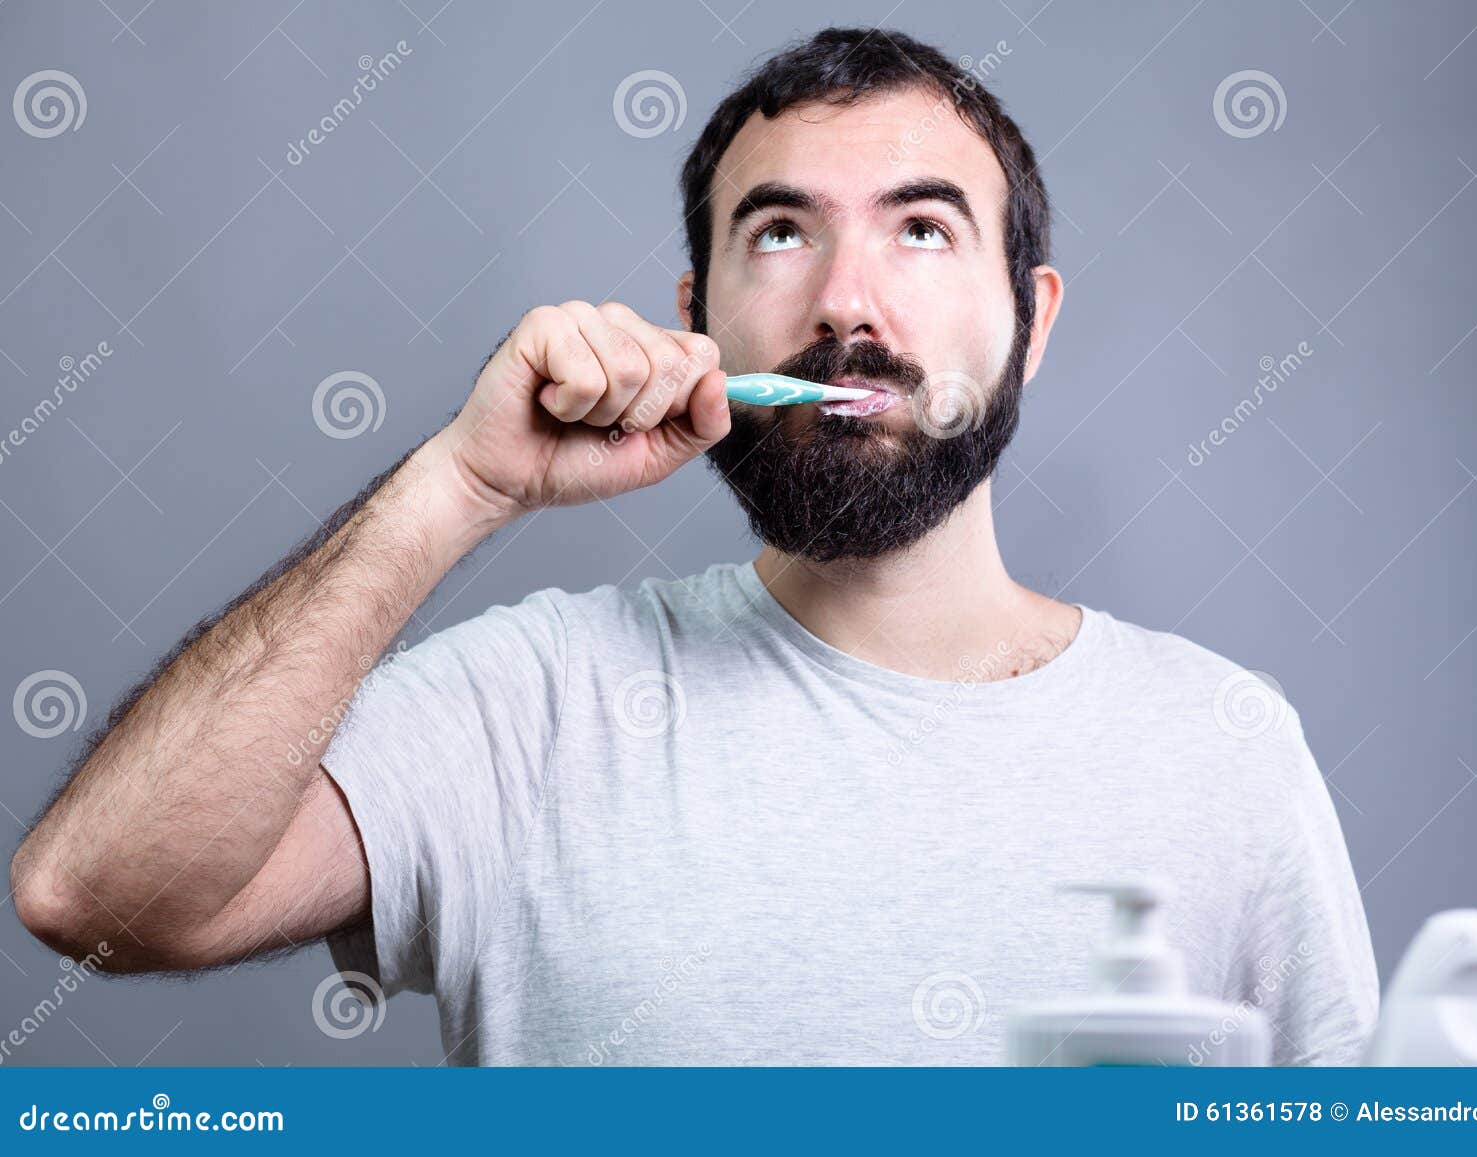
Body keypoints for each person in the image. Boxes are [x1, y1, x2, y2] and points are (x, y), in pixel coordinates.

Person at [9, 26, 1377, 1066]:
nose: (848, 304)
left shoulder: (1222, 746)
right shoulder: (532, 707)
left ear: (1034, 316)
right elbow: (96, 894)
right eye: (780, 232)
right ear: (697, 312)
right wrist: (458, 484)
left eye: (921, 229)